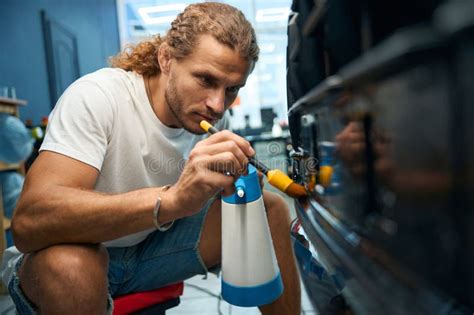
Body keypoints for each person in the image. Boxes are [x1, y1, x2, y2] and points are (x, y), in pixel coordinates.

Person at [1, 2, 301, 314]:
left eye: (231, 89)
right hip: (83, 252)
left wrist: (230, 190)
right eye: (206, 80)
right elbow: (28, 223)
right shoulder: (99, 97)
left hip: (150, 252)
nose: (217, 104)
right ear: (166, 58)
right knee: (71, 266)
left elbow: (209, 200)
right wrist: (170, 201)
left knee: (269, 208)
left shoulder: (212, 120)